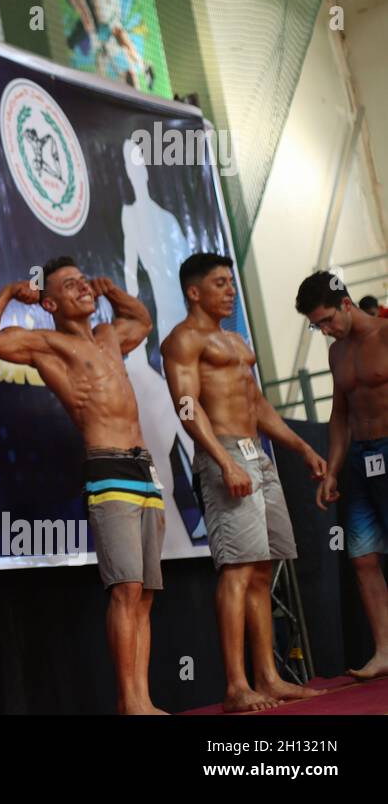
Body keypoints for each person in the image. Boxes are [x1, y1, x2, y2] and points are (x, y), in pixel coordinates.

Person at [0, 257, 165, 714]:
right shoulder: (47, 344)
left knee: (147, 594)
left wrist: (111, 289)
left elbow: (143, 319)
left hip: (143, 468)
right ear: (51, 302)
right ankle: (129, 702)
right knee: (127, 588)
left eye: (84, 281)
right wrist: (8, 293)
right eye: (71, 285)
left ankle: (143, 699)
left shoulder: (111, 337)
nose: (83, 289)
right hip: (107, 467)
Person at [162, 254, 322, 710]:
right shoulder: (183, 340)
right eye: (220, 283)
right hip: (225, 456)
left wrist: (301, 447)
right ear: (194, 292)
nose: (230, 290)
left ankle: (268, 677)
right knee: (236, 568)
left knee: (263, 566)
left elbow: (258, 405)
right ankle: (236, 686)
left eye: (231, 282)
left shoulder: (234, 340)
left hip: (258, 457)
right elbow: (187, 406)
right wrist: (222, 462)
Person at [297, 271, 388, 679]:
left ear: (346, 304)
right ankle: (385, 650)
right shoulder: (336, 354)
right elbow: (339, 416)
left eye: (327, 321)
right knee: (363, 558)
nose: (326, 331)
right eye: (317, 327)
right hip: (358, 458)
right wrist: (331, 471)